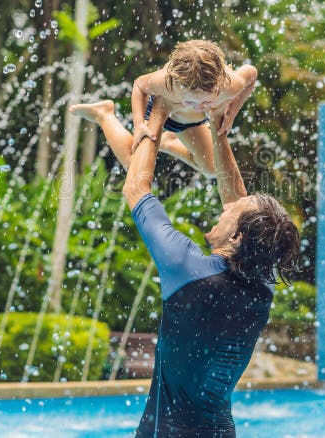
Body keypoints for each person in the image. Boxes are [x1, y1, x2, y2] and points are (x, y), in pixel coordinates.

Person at [119, 97, 301, 437]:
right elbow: (238, 203)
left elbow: (136, 187)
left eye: (232, 211)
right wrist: (218, 127)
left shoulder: (186, 268)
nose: (224, 207)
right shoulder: (261, 288)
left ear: (237, 235)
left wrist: (155, 115)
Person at [71, 40, 257, 177]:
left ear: (217, 85)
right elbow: (139, 86)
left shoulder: (229, 84)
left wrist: (231, 112)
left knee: (212, 170)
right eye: (190, 101)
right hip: (163, 111)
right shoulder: (165, 81)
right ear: (177, 84)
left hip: (188, 124)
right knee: (135, 167)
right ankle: (105, 114)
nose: (200, 106)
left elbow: (251, 73)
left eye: (206, 101)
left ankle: (167, 142)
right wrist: (139, 125)